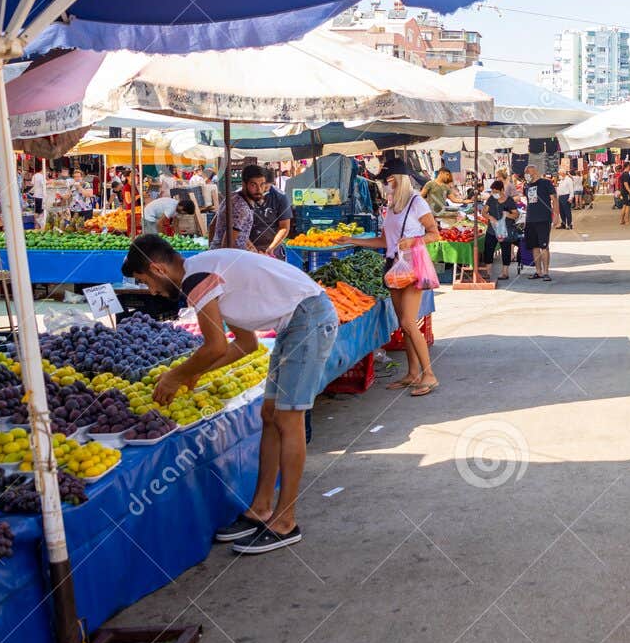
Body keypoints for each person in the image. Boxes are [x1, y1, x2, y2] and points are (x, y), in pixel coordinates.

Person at [122, 234, 334, 553]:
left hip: (308, 320)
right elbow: (245, 344)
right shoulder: (207, 270)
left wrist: (176, 375)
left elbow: (215, 346)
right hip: (298, 322)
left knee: (288, 420)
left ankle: (286, 521)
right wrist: (193, 372)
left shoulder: (196, 278)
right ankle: (262, 507)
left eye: (145, 281)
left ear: (156, 268)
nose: (151, 291)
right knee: (270, 415)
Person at [340, 174, 441, 394]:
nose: (384, 184)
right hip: (393, 267)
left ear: (398, 179)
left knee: (408, 321)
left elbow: (435, 234)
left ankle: (430, 375)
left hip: (413, 265)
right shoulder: (391, 205)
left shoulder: (417, 201)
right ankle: (413, 373)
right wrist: (351, 240)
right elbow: (384, 241)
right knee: (403, 323)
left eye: (388, 179)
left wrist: (414, 240)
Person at [222, 163, 292, 256]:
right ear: (245, 185)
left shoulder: (280, 197)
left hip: (271, 250)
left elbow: (284, 227)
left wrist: (271, 248)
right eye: (255, 185)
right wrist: (252, 249)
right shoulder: (240, 203)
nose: (261, 191)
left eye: (265, 187)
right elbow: (233, 235)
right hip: (245, 253)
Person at [522, 163, 557, 280]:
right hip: (531, 219)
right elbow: (528, 203)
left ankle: (546, 272)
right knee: (534, 247)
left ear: (535, 172)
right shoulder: (526, 186)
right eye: (525, 173)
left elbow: (554, 199)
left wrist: (556, 215)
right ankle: (538, 271)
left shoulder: (546, 183)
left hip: (543, 218)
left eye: (528, 173)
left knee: (544, 246)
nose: (526, 175)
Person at [482, 178, 519, 282]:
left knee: (506, 250)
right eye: (492, 192)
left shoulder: (509, 200)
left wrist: (508, 215)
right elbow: (484, 212)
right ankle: (488, 272)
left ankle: (505, 272)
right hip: (492, 230)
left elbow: (516, 214)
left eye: (496, 192)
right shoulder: (491, 199)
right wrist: (490, 217)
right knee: (488, 249)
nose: (494, 194)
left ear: (502, 190)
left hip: (505, 230)